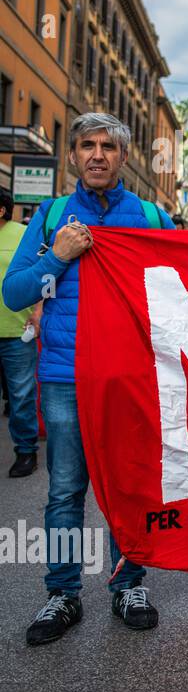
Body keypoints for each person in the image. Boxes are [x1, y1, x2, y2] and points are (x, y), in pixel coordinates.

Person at [4, 113, 176, 645]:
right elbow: (14, 293)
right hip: (63, 375)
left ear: (125, 157)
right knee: (64, 491)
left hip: (130, 377)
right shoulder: (52, 214)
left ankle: (129, 585)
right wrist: (57, 257)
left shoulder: (150, 215)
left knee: (129, 487)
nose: (97, 155)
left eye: (108, 146)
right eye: (87, 146)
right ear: (73, 155)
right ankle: (63, 593)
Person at [0, 187, 38, 479]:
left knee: (21, 395)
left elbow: (41, 276)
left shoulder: (24, 235)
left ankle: (26, 451)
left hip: (16, 330)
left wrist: (37, 312)